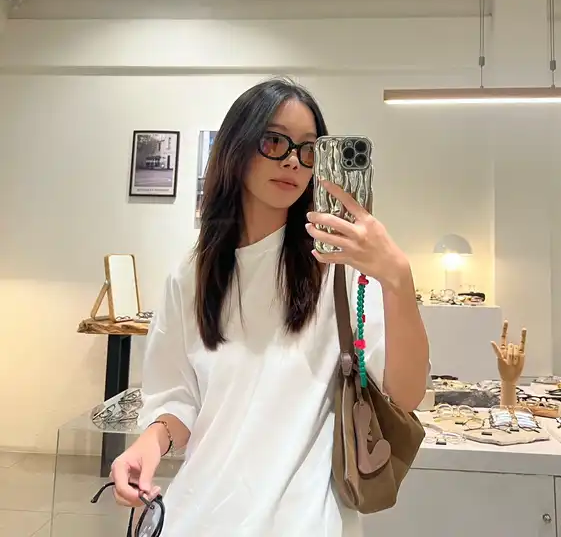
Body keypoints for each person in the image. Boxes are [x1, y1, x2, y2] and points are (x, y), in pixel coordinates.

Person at [111, 78, 430, 536]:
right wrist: (151, 441)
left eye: (308, 149)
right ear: (237, 148)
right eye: (275, 141)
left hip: (305, 522)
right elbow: (178, 397)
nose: (293, 161)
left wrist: (398, 279)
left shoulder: (336, 269)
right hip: (198, 514)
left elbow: (406, 394)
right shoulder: (192, 275)